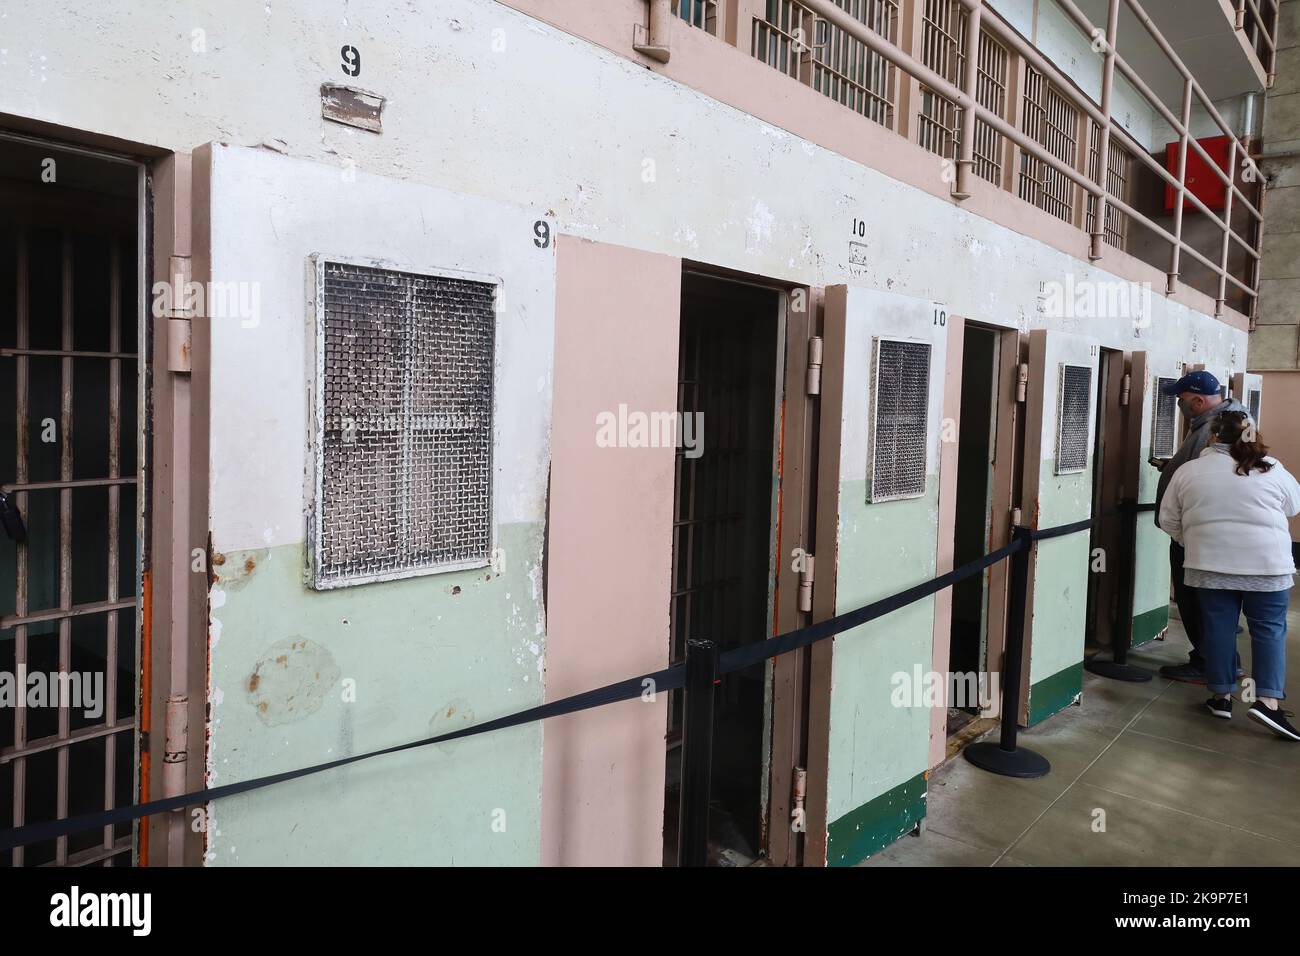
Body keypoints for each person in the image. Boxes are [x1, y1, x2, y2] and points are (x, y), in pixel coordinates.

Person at [1158, 410, 1300, 740]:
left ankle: (1221, 697)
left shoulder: (1189, 470)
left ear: (1212, 437)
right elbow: (1294, 506)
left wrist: (1191, 541)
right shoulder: (1272, 467)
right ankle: (1266, 702)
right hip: (1267, 567)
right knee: (1268, 631)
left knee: (1219, 629)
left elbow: (1168, 519)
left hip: (1208, 567)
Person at [1152, 371, 1247, 683]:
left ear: (1198, 400)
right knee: (1207, 603)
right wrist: (1173, 467)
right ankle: (1220, 662)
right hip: (1203, 534)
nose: (1179, 405)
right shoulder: (1223, 422)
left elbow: (1209, 482)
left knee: (1196, 601)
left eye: (1181, 400)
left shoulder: (1213, 428)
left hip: (1195, 536)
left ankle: (1209, 664)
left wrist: (1181, 536)